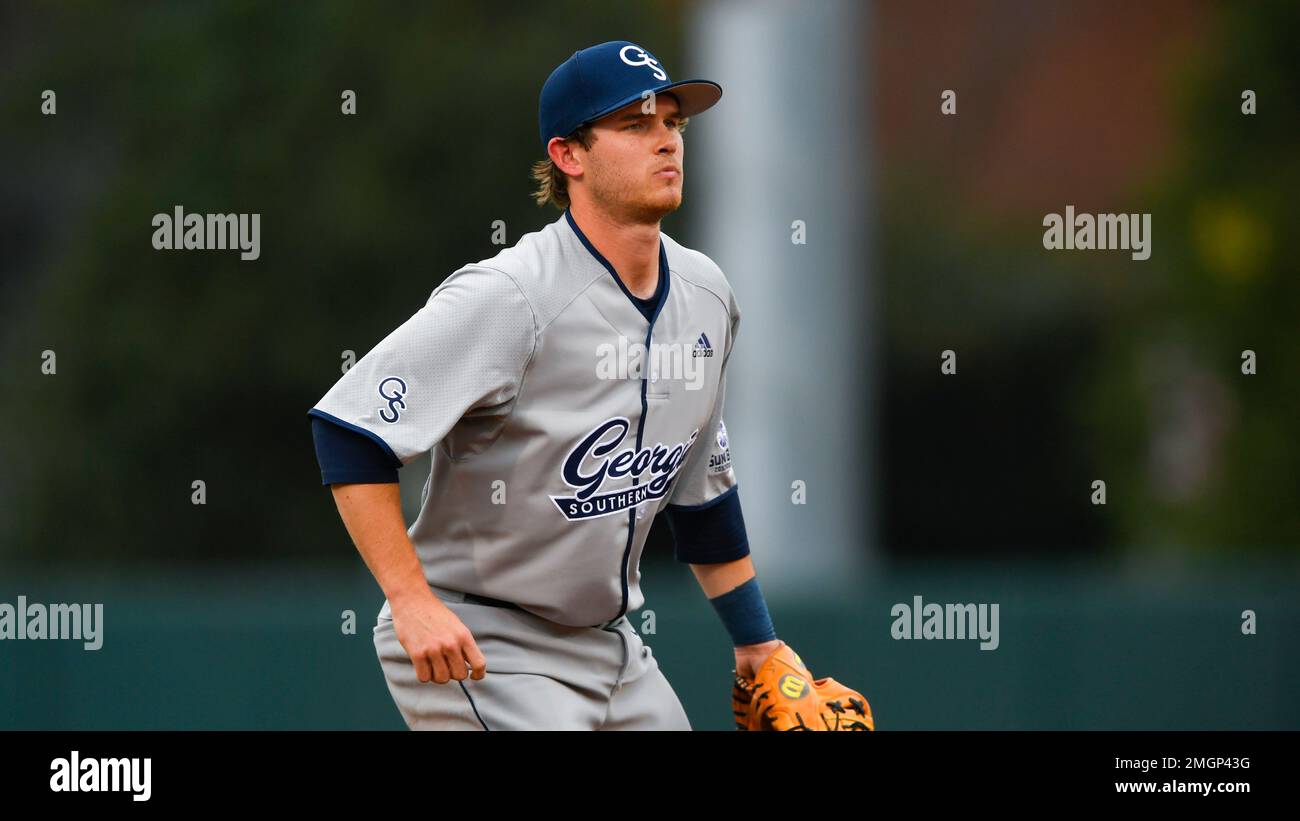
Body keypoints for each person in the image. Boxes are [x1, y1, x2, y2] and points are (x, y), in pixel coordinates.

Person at [308, 40, 784, 730]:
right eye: (635, 125)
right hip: (483, 638)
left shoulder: (707, 295)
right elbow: (349, 429)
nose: (666, 142)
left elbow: (702, 496)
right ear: (569, 156)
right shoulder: (512, 296)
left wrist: (758, 642)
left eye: (672, 124)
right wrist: (410, 600)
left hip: (613, 647)